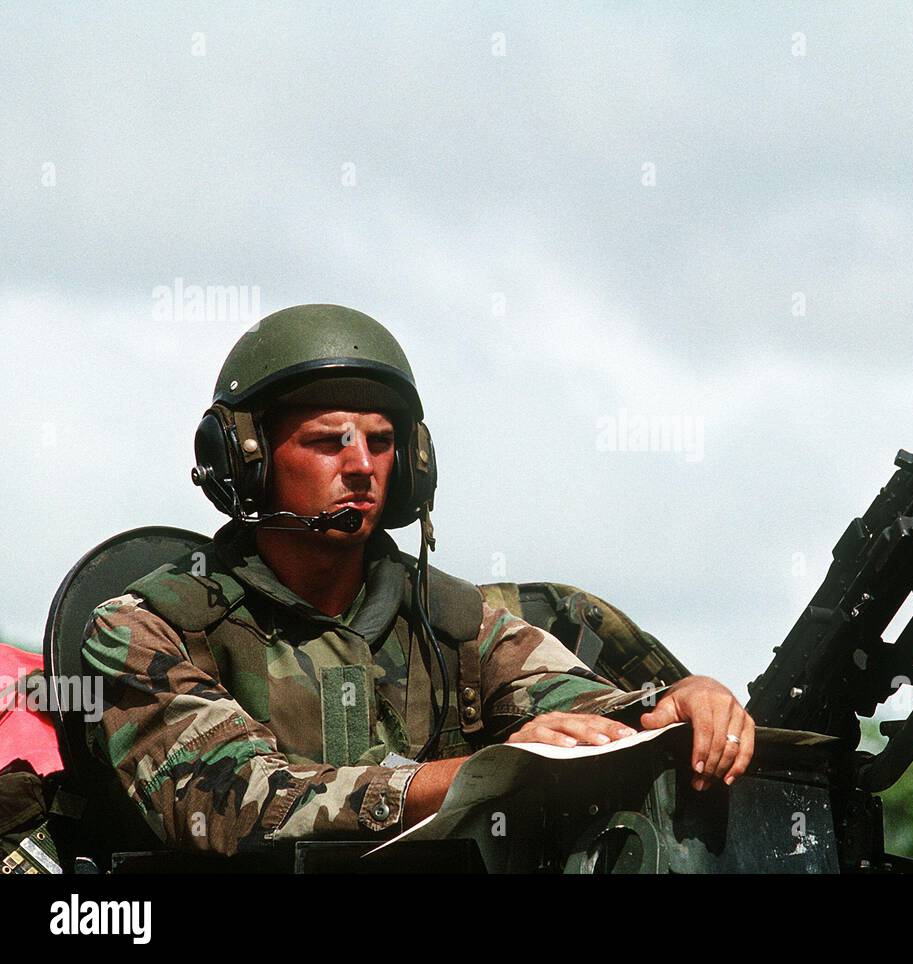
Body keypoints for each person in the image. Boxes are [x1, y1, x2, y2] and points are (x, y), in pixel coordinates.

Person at [82, 304, 755, 857]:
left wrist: (670, 705)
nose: (362, 465)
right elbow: (227, 802)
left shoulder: (450, 618)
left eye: (380, 443)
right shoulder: (149, 629)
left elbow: (576, 707)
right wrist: (465, 779)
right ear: (247, 460)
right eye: (327, 441)